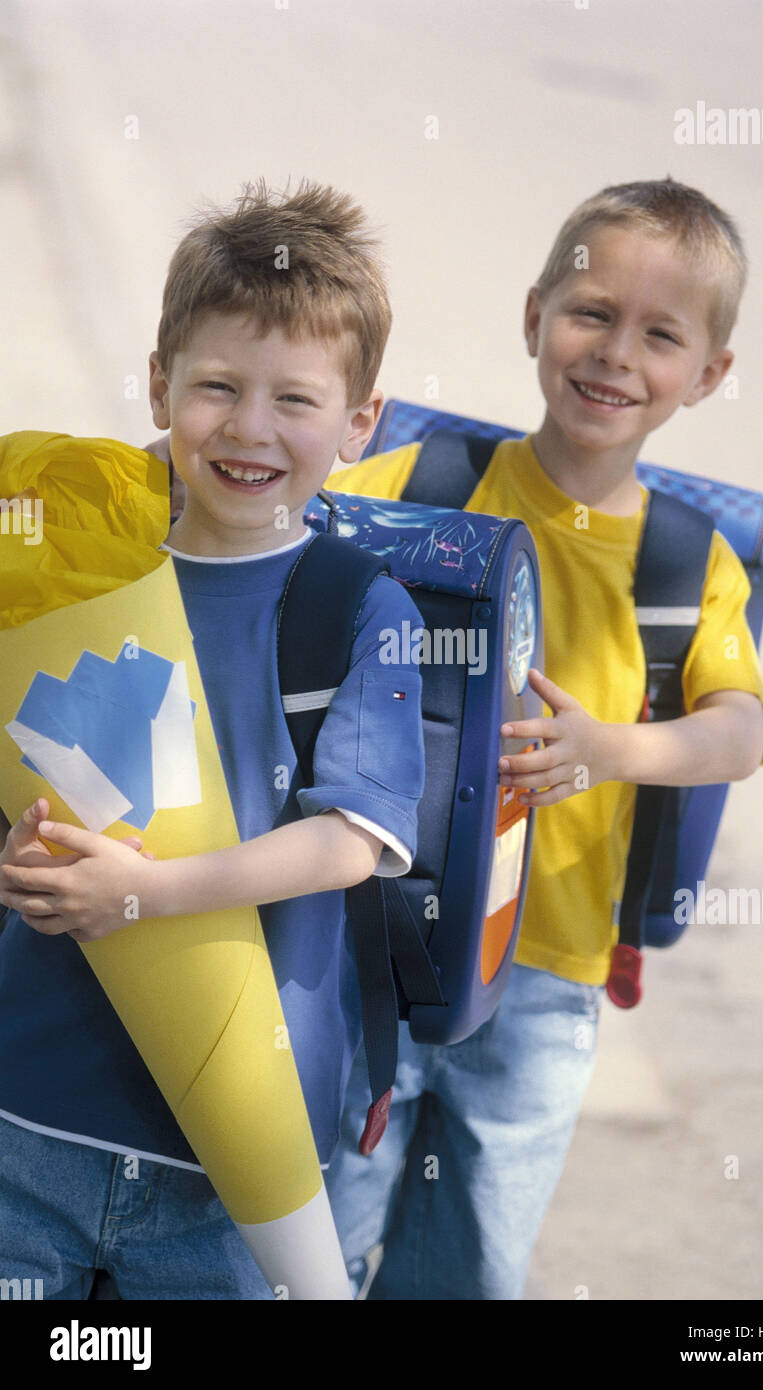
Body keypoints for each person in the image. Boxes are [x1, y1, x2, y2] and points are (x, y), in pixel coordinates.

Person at [323, 178, 763, 1300]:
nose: (615, 353)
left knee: (470, 1266)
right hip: (374, 937)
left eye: (660, 335)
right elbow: (294, 535)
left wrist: (614, 750)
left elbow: (735, 732)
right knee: (314, 1240)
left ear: (707, 373)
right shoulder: (429, 484)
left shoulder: (687, 565)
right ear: (535, 316)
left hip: (543, 977)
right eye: (591, 313)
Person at [0, 179, 425, 1299]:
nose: (248, 427)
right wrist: (22, 859)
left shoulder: (356, 608)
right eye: (218, 387)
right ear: (160, 384)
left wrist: (145, 894)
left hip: (238, 1140)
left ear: (361, 422)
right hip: (29, 1105)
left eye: (295, 399)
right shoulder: (82, 564)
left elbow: (352, 841)